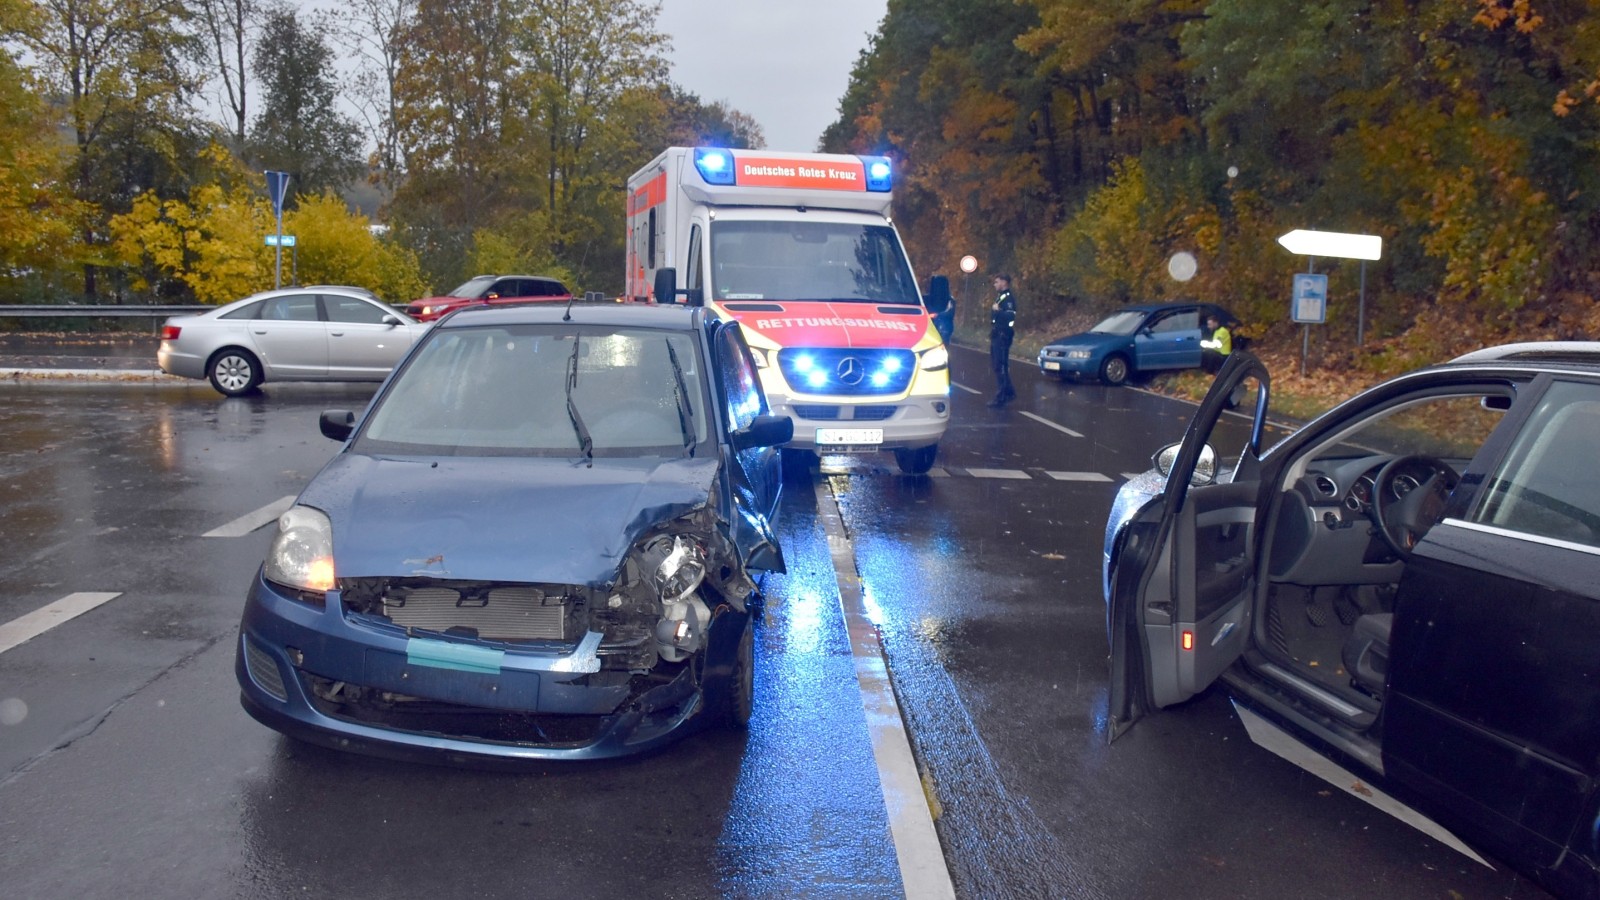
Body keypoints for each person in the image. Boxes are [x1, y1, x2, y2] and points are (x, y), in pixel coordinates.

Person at [987, 273, 1017, 407]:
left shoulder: (1008, 299)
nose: (995, 285)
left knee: (1000, 366)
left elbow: (1010, 316)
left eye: (997, 282)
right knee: (997, 365)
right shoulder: (1001, 297)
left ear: (1004, 282)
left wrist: (998, 311)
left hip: (1003, 335)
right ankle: (1009, 392)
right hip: (997, 334)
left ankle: (1002, 396)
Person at [926, 274, 955, 346]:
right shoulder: (926, 298)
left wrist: (936, 315)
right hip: (929, 326)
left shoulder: (950, 300)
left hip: (943, 328)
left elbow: (949, 313)